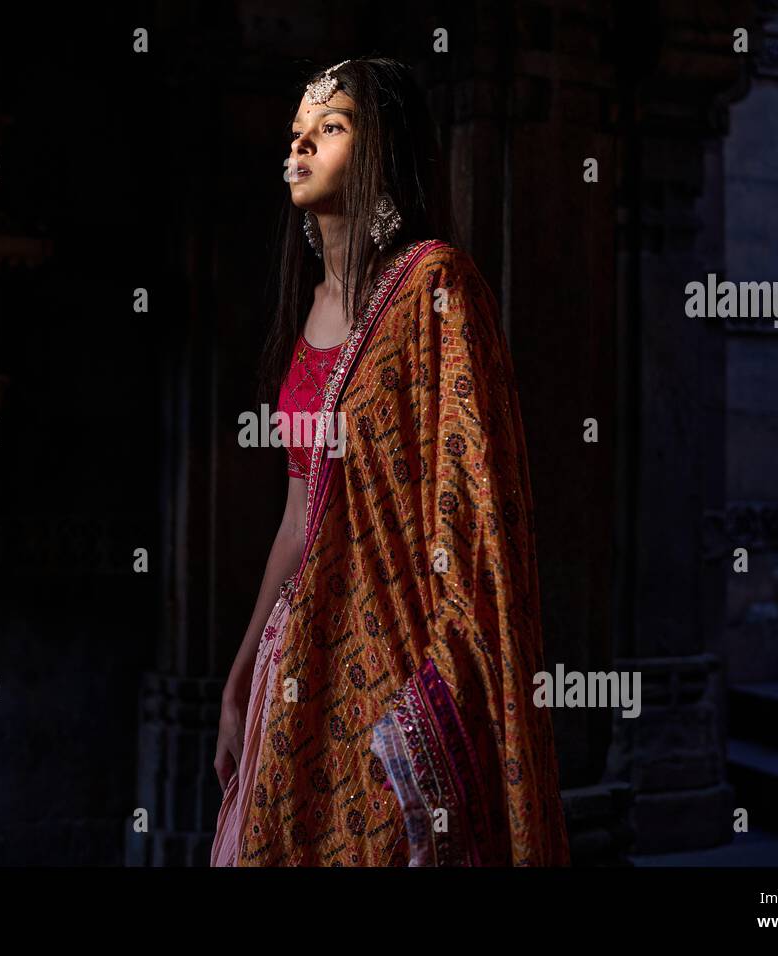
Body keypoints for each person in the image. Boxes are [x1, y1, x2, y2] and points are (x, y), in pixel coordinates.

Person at [211, 56, 570, 866]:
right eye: (296, 131)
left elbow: (476, 504)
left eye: (329, 127)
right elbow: (300, 516)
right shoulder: (307, 313)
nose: (300, 144)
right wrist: (239, 680)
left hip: (398, 668)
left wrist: (443, 685)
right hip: (301, 668)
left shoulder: (436, 287)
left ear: (382, 150)